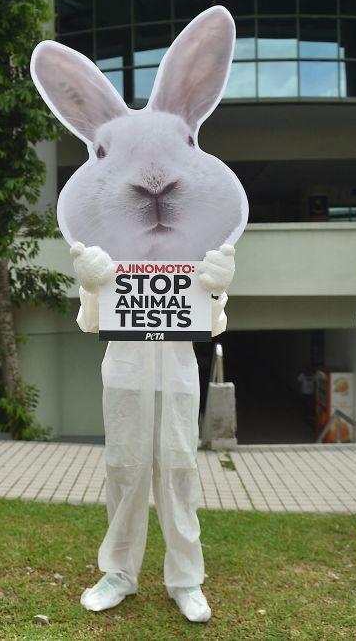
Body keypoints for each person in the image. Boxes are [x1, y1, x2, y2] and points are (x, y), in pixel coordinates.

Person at [71, 243, 234, 623]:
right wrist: (92, 285)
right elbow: (91, 322)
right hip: (125, 377)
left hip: (177, 378)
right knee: (125, 472)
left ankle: (186, 580)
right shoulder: (113, 243)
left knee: (178, 474)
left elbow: (212, 325)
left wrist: (217, 289)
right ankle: (119, 573)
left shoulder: (195, 242)